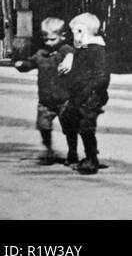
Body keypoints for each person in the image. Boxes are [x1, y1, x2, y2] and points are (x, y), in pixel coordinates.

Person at [13, 17, 74, 165]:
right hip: (45, 100)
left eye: (52, 39)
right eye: (46, 39)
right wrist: (22, 65)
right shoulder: (41, 53)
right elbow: (31, 63)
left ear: (62, 36)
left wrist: (70, 58)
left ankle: (73, 151)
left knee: (69, 126)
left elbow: (73, 52)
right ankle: (48, 149)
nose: (48, 43)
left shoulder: (65, 50)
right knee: (43, 125)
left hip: (64, 99)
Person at [59, 13, 111, 175]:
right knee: (68, 118)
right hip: (78, 95)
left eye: (77, 31)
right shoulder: (83, 48)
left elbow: (102, 76)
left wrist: (89, 91)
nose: (73, 35)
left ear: (85, 32)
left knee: (86, 125)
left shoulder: (96, 50)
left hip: (91, 96)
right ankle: (80, 153)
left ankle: (91, 159)